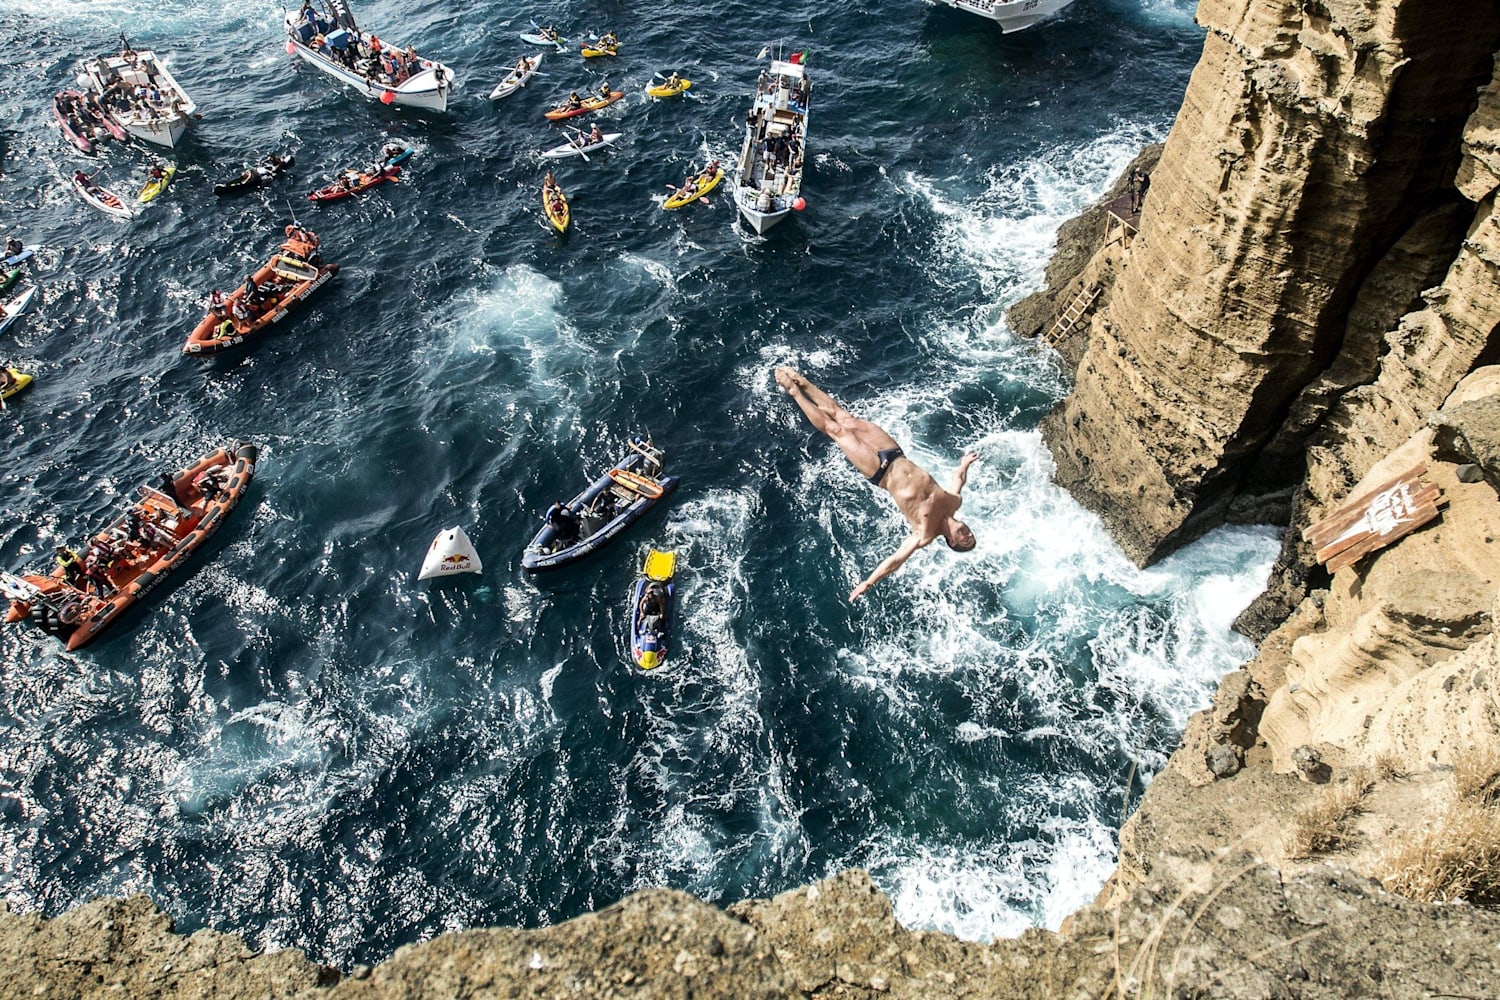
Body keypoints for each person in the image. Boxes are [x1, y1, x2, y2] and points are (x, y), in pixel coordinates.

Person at [775, 367, 980, 601]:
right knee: (845, 418)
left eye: (965, 539)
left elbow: (896, 561)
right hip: (894, 453)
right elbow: (958, 481)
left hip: (879, 472)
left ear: (951, 542)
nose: (967, 532)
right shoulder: (954, 501)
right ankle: (802, 382)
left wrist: (868, 582)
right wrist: (964, 465)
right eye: (971, 534)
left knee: (836, 430)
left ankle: (793, 392)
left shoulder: (924, 534)